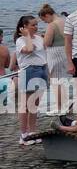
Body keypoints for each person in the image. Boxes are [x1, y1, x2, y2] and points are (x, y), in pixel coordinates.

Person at [13, 15, 48, 146]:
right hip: (29, 70)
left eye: (36, 24)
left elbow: (43, 54)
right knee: (25, 104)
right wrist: (27, 35)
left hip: (41, 68)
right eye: (33, 25)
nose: (36, 27)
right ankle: (23, 134)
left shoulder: (39, 38)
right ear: (24, 27)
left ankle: (32, 132)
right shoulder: (20, 40)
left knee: (35, 103)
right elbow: (29, 50)